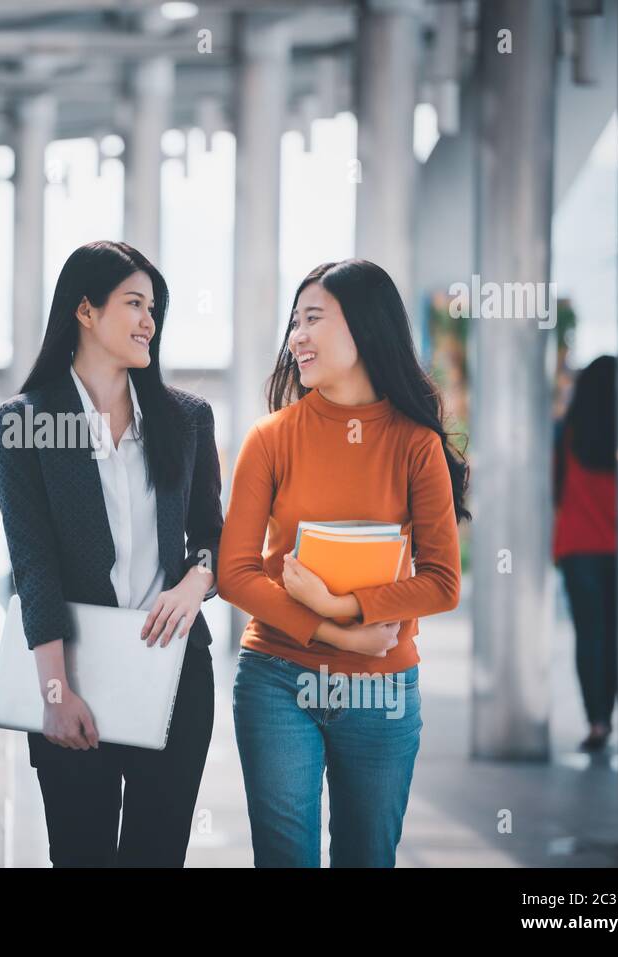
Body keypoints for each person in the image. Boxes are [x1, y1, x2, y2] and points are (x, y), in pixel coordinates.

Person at [218, 259, 468, 867]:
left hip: (381, 689)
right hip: (278, 678)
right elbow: (234, 573)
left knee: (367, 856)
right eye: (294, 322)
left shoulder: (416, 442)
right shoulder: (270, 438)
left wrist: (341, 606)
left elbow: (442, 583)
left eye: (314, 319)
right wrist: (332, 632)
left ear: (364, 326)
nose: (297, 336)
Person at [0, 240, 224, 867]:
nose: (150, 320)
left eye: (154, 307)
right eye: (134, 304)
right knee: (81, 855)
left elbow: (211, 537)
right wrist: (55, 690)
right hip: (76, 675)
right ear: (85, 311)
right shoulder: (27, 423)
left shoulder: (187, 419)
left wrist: (193, 584)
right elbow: (32, 565)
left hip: (175, 675)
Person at [552, 355, 618, 751]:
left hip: (578, 548)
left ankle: (598, 723)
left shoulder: (568, 432)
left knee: (589, 636)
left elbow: (554, 488)